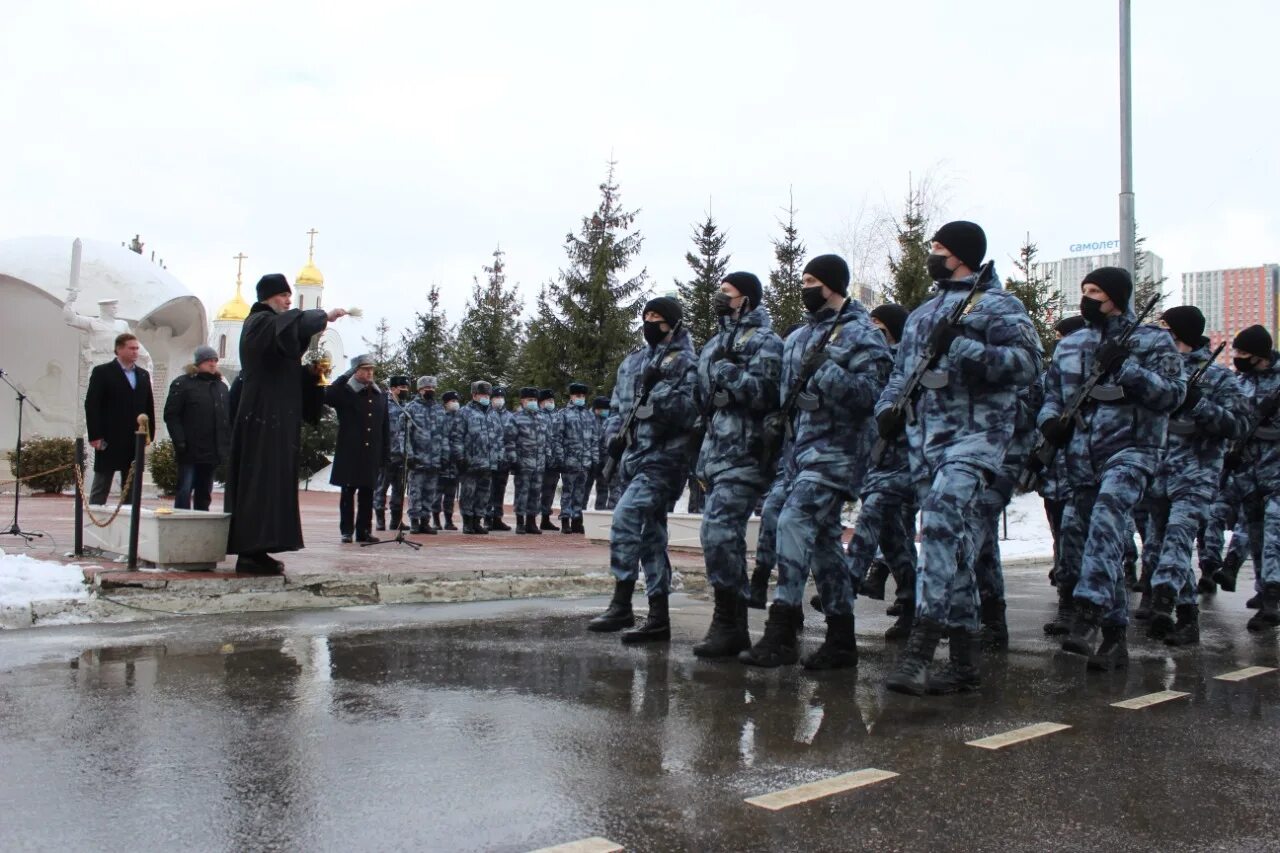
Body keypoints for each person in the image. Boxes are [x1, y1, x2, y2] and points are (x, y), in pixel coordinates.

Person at [877, 222, 1041, 695]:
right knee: (957, 545)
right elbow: (900, 374)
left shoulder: (999, 306)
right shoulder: (924, 313)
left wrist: (965, 346)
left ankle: (921, 651)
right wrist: (886, 410)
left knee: (942, 522)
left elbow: (1028, 365)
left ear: (962, 255)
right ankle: (966, 660)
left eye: (939, 249)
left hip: (977, 439)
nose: (932, 255)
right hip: (926, 443)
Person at [739, 254, 891, 670]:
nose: (803, 287)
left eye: (810, 280)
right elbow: (788, 401)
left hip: (838, 453)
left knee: (794, 521)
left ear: (832, 285)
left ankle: (784, 628)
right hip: (799, 453)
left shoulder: (862, 335)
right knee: (823, 545)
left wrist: (828, 373)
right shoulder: (799, 337)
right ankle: (842, 639)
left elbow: (873, 396)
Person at [1039, 266, 1184, 669]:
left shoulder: (1152, 341)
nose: (1087, 297)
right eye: (1084, 289)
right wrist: (1049, 423)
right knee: (1100, 540)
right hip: (1082, 458)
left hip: (1134, 451)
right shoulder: (1071, 345)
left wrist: (1129, 369)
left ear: (1117, 296)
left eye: (1096, 290)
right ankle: (1115, 637)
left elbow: (1174, 395)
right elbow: (1052, 395)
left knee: (1107, 517)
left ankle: (1086, 612)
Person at [589, 297, 698, 642]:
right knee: (651, 536)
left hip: (665, 459)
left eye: (658, 317)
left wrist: (656, 398)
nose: (650, 322)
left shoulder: (686, 362)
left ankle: (621, 602)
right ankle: (658, 616)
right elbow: (618, 408)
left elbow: (690, 411)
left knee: (624, 518)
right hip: (632, 459)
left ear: (674, 322)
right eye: (646, 316)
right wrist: (613, 440)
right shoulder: (632, 361)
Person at [1135, 306, 1245, 645]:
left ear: (1180, 333)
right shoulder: (1157, 370)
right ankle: (1186, 617)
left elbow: (1238, 425)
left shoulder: (1218, 378)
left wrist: (1199, 405)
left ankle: (1164, 597)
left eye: (1166, 327)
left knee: (1178, 538)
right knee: (1156, 543)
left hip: (1197, 471)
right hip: (1159, 469)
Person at [689, 271, 783, 658]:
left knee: (718, 533)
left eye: (726, 294)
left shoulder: (766, 342)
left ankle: (731, 621)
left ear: (746, 298)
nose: (719, 299)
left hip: (745, 454)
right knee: (716, 538)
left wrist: (733, 376)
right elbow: (700, 396)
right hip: (714, 455)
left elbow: (768, 394)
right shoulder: (713, 344)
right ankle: (731, 623)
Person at [225, 273, 346, 573]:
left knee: (273, 484)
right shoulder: (258, 322)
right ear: (267, 297)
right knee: (260, 484)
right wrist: (324, 317)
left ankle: (261, 548)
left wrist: (312, 375)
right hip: (262, 420)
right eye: (283, 296)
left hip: (275, 421)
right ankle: (250, 552)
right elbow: (292, 325)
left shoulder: (271, 331)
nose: (288, 300)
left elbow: (286, 360)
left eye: (290, 296)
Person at [841, 302, 920, 641]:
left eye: (880, 325)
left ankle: (848, 582)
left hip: (908, 458)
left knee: (876, 517)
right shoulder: (875, 361)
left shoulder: (907, 363)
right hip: (879, 456)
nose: (873, 330)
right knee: (894, 539)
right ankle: (910, 604)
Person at [1223, 325, 1280, 630]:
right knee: (1256, 532)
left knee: (1275, 532)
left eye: (1244, 354)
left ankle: (1272, 598)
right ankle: (1263, 587)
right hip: (1248, 469)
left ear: (1260, 355)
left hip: (1276, 468)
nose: (1238, 358)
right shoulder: (1239, 381)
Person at [1039, 316, 1088, 588]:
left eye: (1061, 336)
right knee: (1058, 525)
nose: (1058, 342)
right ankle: (1063, 569)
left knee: (1077, 529)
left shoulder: (1095, 372)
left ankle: (1077, 585)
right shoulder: (1051, 377)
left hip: (1081, 468)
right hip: (1054, 468)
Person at [326, 354, 390, 544]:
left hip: (371, 453)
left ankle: (364, 531)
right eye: (365, 369)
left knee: (367, 494)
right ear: (356, 371)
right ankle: (346, 531)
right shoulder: (345, 392)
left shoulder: (380, 395)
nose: (370, 373)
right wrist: (345, 376)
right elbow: (328, 395)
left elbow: (384, 427)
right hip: (350, 452)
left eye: (372, 369)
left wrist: (385, 454)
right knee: (348, 493)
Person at [84, 332, 156, 505]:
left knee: (131, 485)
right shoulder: (103, 372)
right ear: (119, 349)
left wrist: (148, 434)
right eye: (131, 348)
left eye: (137, 348)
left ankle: (129, 521)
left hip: (134, 438)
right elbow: (92, 404)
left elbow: (148, 406)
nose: (135, 352)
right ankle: (95, 518)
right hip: (109, 436)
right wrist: (95, 435)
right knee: (103, 482)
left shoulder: (143, 375)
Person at [163, 345, 230, 511]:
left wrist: (225, 444)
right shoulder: (183, 384)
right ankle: (181, 520)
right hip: (190, 448)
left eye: (215, 360)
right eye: (208, 360)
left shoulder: (220, 387)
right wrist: (180, 440)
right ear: (199, 363)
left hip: (212, 449)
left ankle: (202, 519)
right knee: (185, 488)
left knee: (205, 490)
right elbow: (172, 415)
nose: (213, 364)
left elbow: (226, 417)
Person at [457, 380, 502, 534]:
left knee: (484, 494)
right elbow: (457, 437)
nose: (486, 397)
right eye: (482, 394)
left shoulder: (493, 414)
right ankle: (467, 522)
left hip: (488, 462)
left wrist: (499, 456)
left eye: (488, 395)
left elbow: (499, 437)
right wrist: (460, 457)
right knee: (468, 493)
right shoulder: (464, 412)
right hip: (470, 462)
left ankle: (478, 520)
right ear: (474, 395)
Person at [405, 375, 443, 535]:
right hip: (418, 459)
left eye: (432, 388)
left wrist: (445, 455)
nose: (430, 391)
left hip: (434, 459)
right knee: (415, 492)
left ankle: (425, 521)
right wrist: (409, 455)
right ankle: (414, 521)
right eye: (427, 388)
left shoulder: (439, 408)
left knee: (430, 492)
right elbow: (405, 434)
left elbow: (444, 433)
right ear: (420, 390)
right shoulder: (411, 408)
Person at [375, 375, 413, 532]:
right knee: (381, 488)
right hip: (387, 454)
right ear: (393, 389)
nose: (404, 391)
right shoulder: (383, 404)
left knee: (399, 489)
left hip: (402, 455)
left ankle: (396, 521)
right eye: (402, 388)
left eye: (406, 388)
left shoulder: (407, 406)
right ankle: (380, 520)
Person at [559, 382, 598, 534]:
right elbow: (558, 438)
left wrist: (594, 459)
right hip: (570, 460)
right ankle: (565, 520)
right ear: (571, 396)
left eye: (582, 396)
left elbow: (594, 439)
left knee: (581, 492)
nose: (580, 398)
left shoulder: (589, 415)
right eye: (577, 396)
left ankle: (577, 519)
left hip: (585, 461)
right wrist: (560, 458)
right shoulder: (564, 414)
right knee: (568, 491)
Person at [512, 387, 548, 534]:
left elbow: (547, 439)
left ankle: (531, 522)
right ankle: (520, 522)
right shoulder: (515, 418)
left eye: (534, 400)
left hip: (538, 463)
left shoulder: (541, 418)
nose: (532, 402)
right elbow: (509, 441)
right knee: (522, 493)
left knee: (535, 493)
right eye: (529, 400)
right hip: (523, 463)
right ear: (522, 401)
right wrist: (513, 459)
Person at [486, 387, 517, 531]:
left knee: (500, 490)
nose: (499, 399)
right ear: (491, 399)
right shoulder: (486, 414)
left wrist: (511, 458)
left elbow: (512, 439)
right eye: (496, 397)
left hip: (504, 460)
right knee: (488, 490)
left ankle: (497, 518)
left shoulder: (510, 417)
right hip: (489, 459)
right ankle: (487, 518)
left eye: (501, 397)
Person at [437, 390, 463, 530]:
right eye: (452, 401)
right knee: (437, 492)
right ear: (445, 403)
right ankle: (435, 520)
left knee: (451, 494)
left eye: (456, 401)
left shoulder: (461, 418)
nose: (455, 403)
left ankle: (448, 520)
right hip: (442, 460)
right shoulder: (440, 417)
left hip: (455, 462)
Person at [538, 389, 563, 530]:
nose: (551, 403)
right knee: (535, 490)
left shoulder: (557, 416)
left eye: (552, 401)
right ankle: (527, 519)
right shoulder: (537, 416)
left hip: (554, 460)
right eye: (548, 400)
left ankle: (545, 518)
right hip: (540, 460)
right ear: (541, 402)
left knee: (550, 490)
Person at [586, 395, 613, 510]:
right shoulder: (587, 419)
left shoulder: (609, 420)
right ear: (597, 409)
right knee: (585, 490)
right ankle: (579, 517)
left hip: (605, 460)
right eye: (604, 409)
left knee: (603, 489)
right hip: (590, 461)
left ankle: (600, 512)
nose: (606, 412)